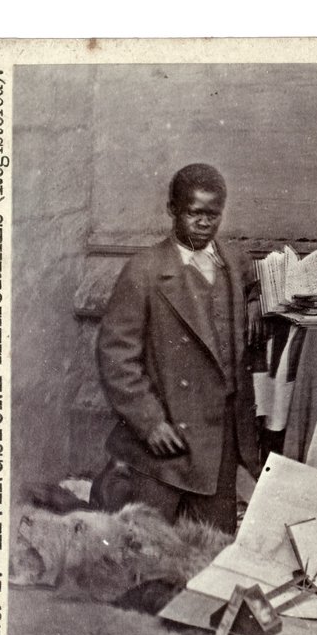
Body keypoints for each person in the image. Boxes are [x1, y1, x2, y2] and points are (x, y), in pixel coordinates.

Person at [94, 163, 261, 534]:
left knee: (211, 548)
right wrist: (149, 422)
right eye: (194, 213)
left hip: (221, 441)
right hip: (167, 441)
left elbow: (242, 310)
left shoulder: (234, 262)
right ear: (173, 209)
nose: (204, 223)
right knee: (151, 548)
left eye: (213, 215)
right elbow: (116, 355)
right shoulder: (144, 270)